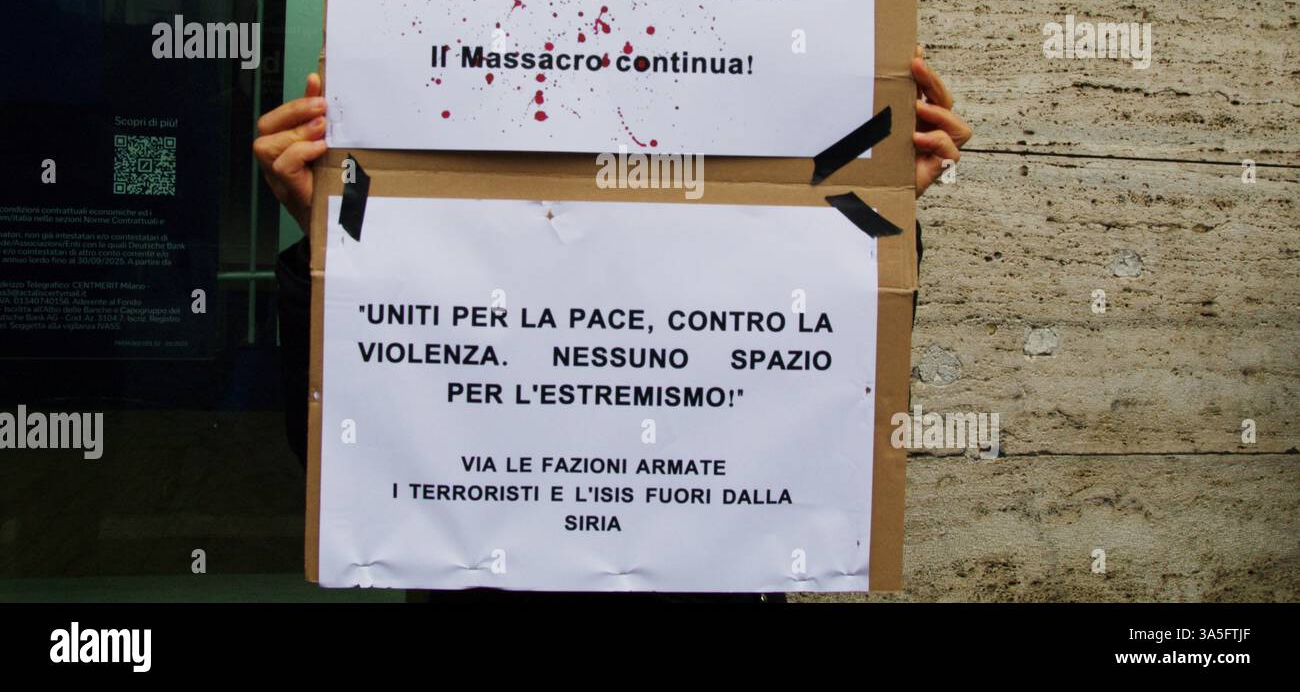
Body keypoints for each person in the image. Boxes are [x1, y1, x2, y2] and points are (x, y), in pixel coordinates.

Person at [254, 45, 972, 600]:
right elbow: (349, 451)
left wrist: (872, 226)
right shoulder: (459, 261)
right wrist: (334, 242)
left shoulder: (740, 267)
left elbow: (833, 417)